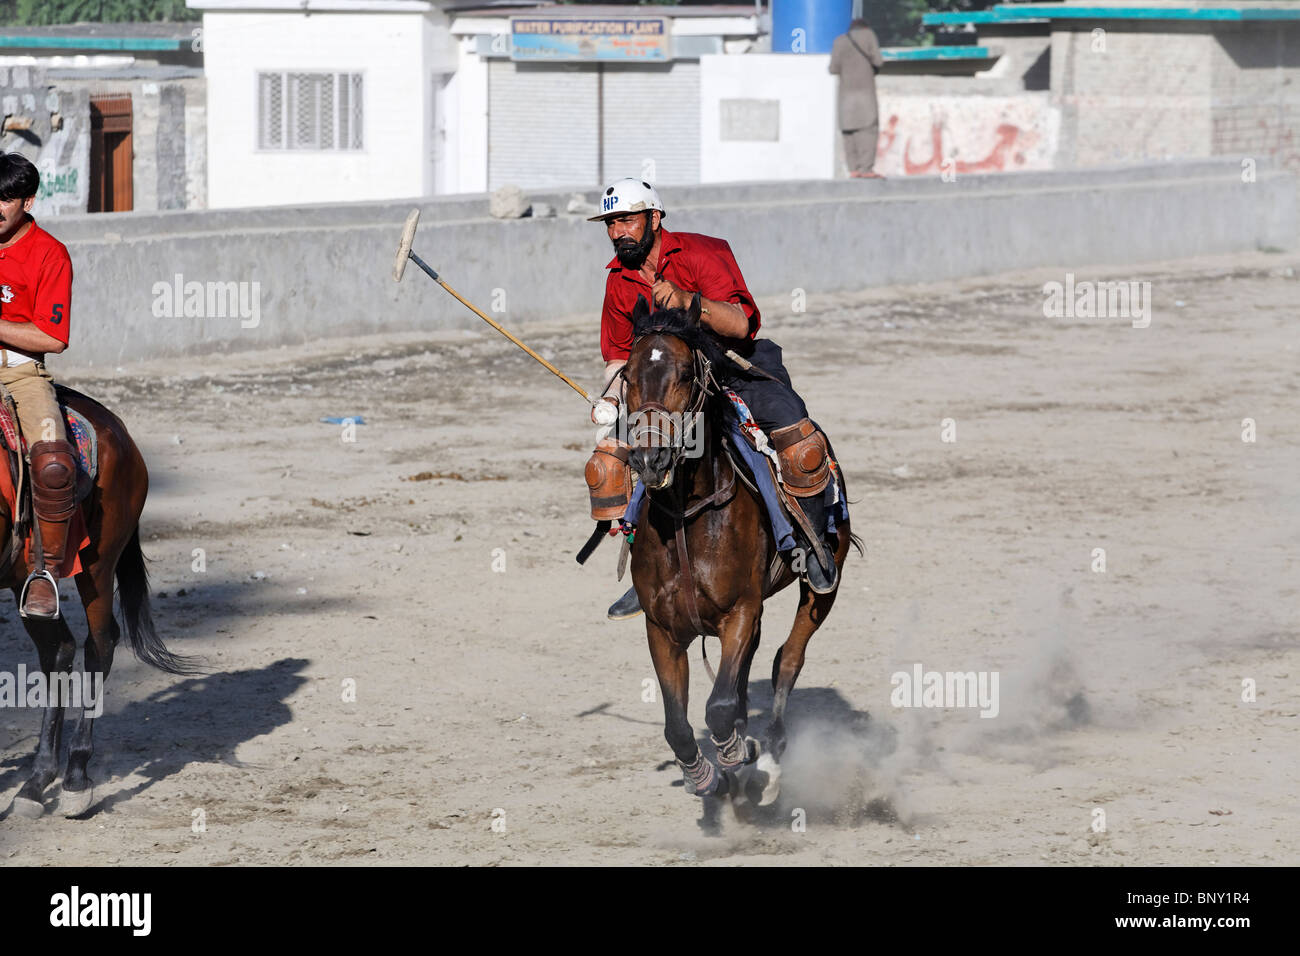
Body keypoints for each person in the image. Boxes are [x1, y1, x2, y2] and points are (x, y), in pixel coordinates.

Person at [585, 178, 838, 621]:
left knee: (800, 441)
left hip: (736, 368)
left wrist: (689, 301)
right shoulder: (618, 281)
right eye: (610, 223)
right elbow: (619, 355)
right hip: (665, 386)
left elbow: (741, 325)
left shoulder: (703, 252)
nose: (617, 231)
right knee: (609, 463)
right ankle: (643, 573)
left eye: (626, 219)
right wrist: (611, 399)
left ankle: (813, 545)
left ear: (654, 218)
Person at [0, 152, 78, 619]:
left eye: (6, 199)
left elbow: (53, 337)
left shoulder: (50, 253)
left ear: (27, 201)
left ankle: (42, 571)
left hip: (20, 373)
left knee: (52, 460)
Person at [829, 18, 885, 179]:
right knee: (868, 131)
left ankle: (853, 169)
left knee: (849, 132)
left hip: (846, 96)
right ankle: (866, 169)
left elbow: (833, 69)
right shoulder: (868, 35)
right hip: (865, 94)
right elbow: (878, 60)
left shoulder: (839, 41)